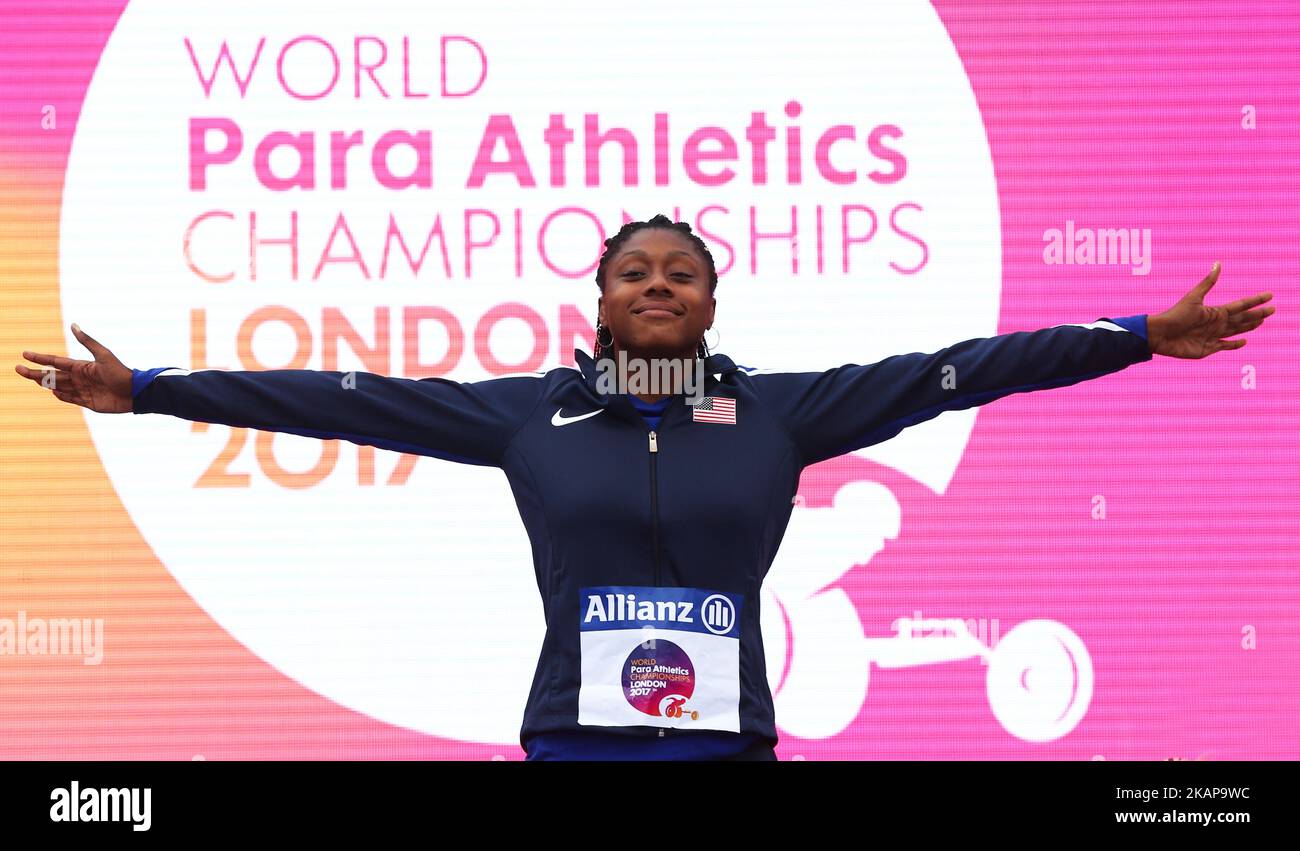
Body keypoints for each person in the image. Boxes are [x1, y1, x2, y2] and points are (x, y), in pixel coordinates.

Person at [15, 214, 1275, 761]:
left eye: (682, 272)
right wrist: (158, 390)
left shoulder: (780, 410)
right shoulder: (533, 412)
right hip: (573, 742)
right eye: (634, 272)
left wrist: (1130, 334)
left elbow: (954, 372)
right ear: (601, 300)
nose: (658, 284)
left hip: (732, 744)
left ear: (713, 303)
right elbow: (342, 395)